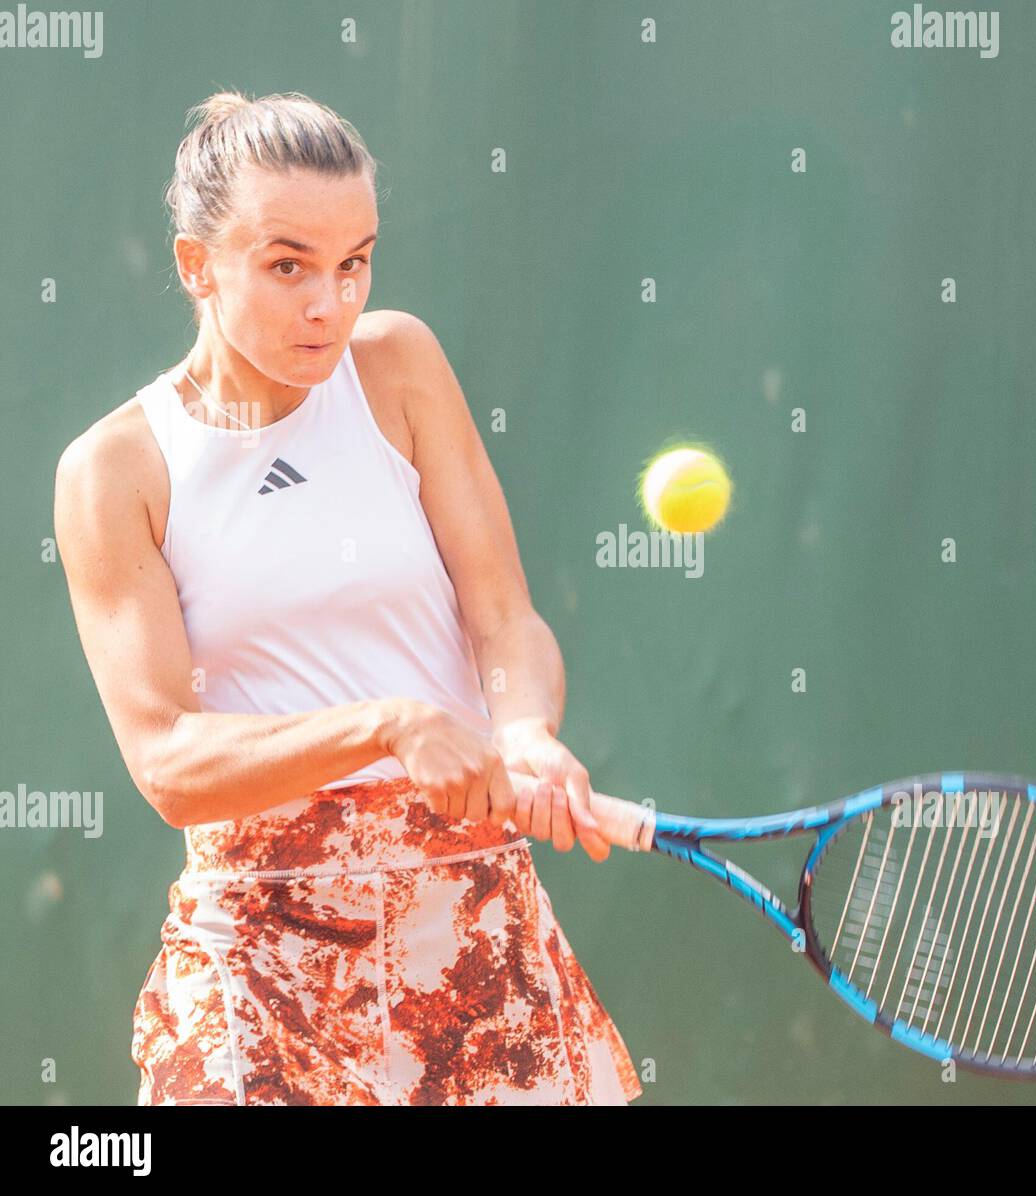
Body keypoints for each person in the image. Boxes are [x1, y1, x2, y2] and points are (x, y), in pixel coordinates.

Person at [53, 89, 642, 1106]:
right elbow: (168, 760)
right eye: (287, 265)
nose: (329, 302)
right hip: (260, 955)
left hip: (473, 934)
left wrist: (528, 729)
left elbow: (503, 618)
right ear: (197, 264)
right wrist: (390, 724)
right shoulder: (116, 469)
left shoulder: (401, 366)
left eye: (353, 261)